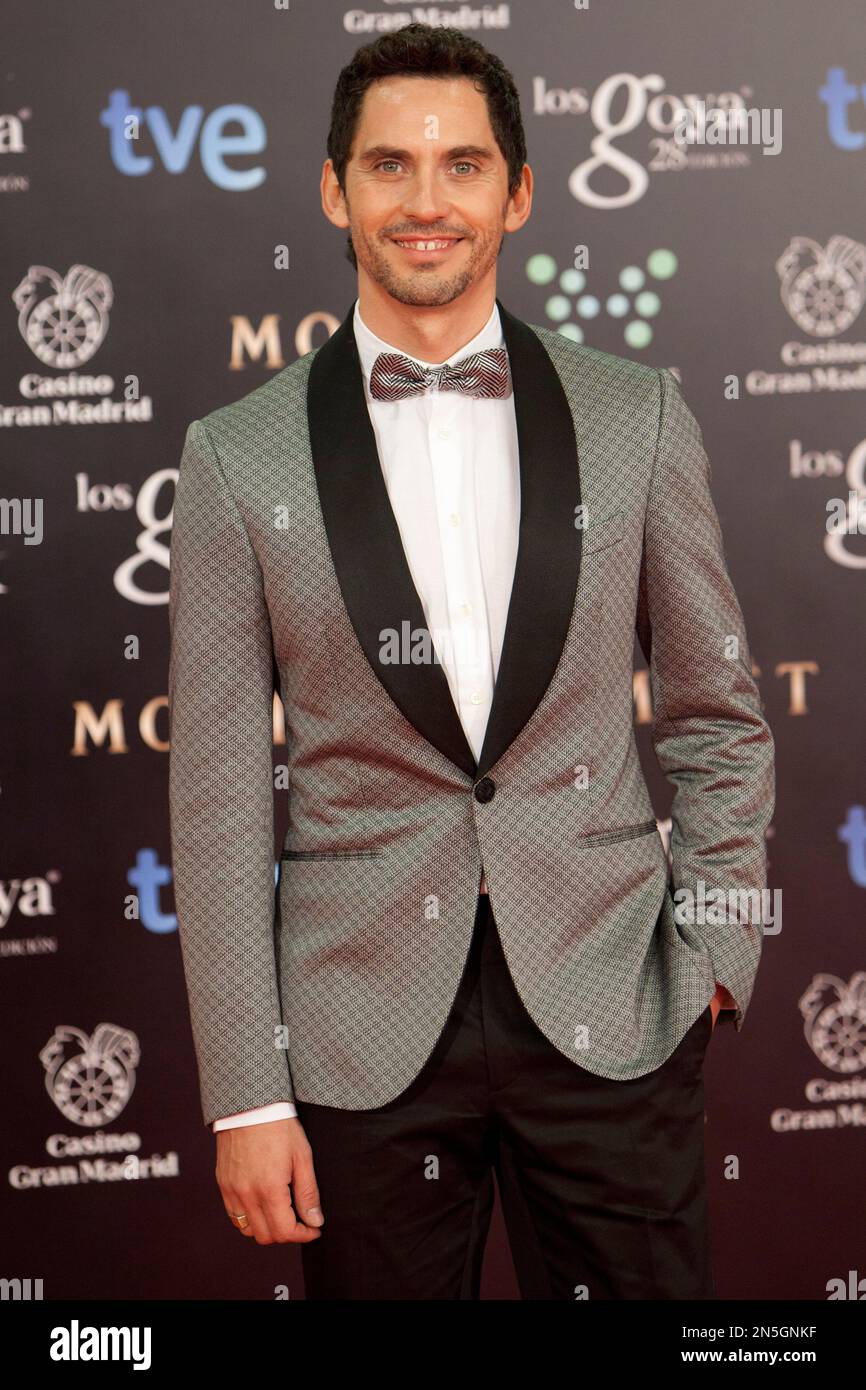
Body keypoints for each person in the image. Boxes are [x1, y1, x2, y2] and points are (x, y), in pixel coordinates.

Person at [167, 22, 775, 1300]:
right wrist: (242, 1095)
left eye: (462, 165)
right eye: (389, 165)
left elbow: (718, 711)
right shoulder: (237, 459)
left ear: (517, 192)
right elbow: (219, 800)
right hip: (354, 1037)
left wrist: (713, 956)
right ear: (335, 190)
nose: (426, 200)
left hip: (611, 1010)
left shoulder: (636, 414)